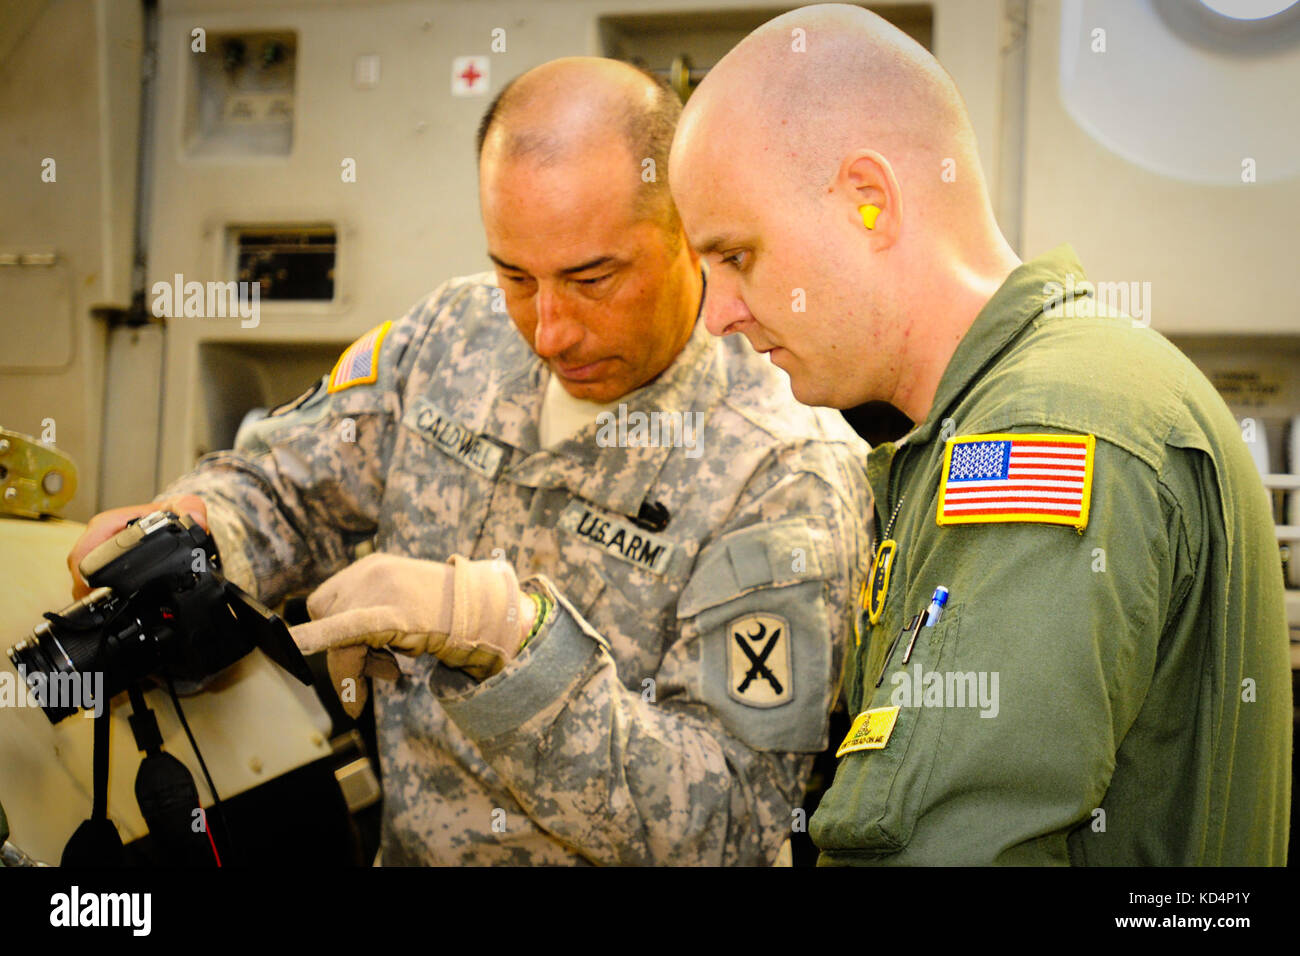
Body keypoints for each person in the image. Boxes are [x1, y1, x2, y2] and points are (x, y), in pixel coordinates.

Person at [68, 57, 872, 865]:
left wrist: (509, 645)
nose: (550, 329)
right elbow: (284, 489)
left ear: (690, 231)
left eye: (594, 278)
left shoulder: (783, 467)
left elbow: (731, 822)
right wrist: (193, 531)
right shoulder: (454, 336)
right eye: (516, 274)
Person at [668, 4, 1291, 865]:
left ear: (868, 203)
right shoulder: (1001, 418)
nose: (718, 316)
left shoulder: (1043, 432)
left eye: (737, 256)